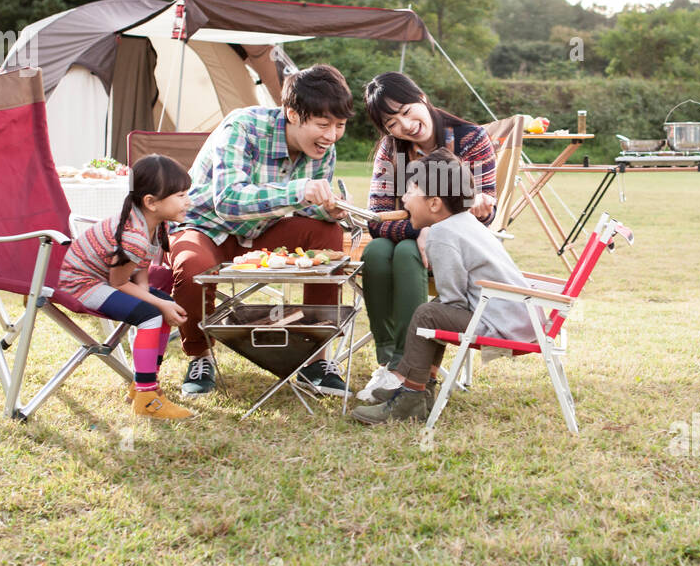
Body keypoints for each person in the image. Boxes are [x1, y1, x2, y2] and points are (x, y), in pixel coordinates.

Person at [171, 64, 354, 397]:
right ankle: (200, 355)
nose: (331, 135)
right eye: (323, 124)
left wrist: (326, 208)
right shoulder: (242, 127)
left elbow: (305, 205)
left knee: (327, 231)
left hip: (263, 236)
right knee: (190, 264)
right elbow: (227, 200)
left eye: (340, 126)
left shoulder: (323, 149)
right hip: (207, 227)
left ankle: (315, 358)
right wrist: (299, 191)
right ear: (292, 114)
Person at [352, 148, 539, 426]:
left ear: (435, 203)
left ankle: (410, 399)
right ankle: (413, 384)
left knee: (427, 314)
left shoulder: (442, 234)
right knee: (432, 313)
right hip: (516, 318)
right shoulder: (466, 223)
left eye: (411, 192)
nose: (403, 199)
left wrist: (435, 310)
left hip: (499, 323)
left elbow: (453, 301)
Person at [357, 72, 497, 401]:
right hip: (403, 239)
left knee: (407, 252)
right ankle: (387, 361)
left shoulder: (469, 139)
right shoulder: (392, 151)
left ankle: (407, 368)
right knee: (375, 252)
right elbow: (376, 219)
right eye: (392, 123)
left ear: (421, 97)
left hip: (455, 251)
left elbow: (484, 215)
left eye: (406, 111)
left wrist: (438, 231)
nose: (404, 125)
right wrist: (421, 231)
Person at [57, 154, 194, 420]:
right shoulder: (134, 235)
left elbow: (139, 268)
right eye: (180, 195)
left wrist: (157, 299)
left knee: (160, 308)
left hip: (104, 280)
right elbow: (118, 282)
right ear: (151, 202)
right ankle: (145, 398)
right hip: (82, 284)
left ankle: (144, 382)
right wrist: (159, 303)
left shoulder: (155, 224)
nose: (187, 201)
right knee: (152, 314)